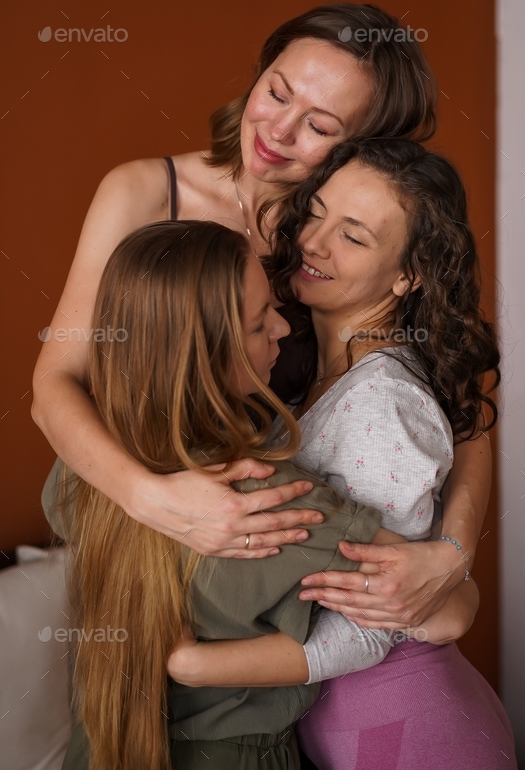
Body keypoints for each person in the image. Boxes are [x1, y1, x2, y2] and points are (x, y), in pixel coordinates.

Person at [33, 3, 489, 629]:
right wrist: (154, 500)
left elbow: (452, 399)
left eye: (320, 126)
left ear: (358, 148)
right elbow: (52, 383)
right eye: (276, 92)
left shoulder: (339, 242)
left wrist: (450, 558)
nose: (278, 131)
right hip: (144, 539)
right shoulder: (144, 193)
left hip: (276, 564)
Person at [46, 219, 478, 770]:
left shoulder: (77, 470)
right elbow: (442, 614)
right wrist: (461, 574)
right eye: (257, 325)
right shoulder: (273, 504)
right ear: (201, 358)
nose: (281, 326)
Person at [167, 139, 517, 769]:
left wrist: (191, 664)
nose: (313, 241)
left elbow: (375, 624)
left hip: (410, 731)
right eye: (317, 212)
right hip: (355, 727)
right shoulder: (311, 372)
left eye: (353, 236)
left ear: (409, 274)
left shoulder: (383, 402)